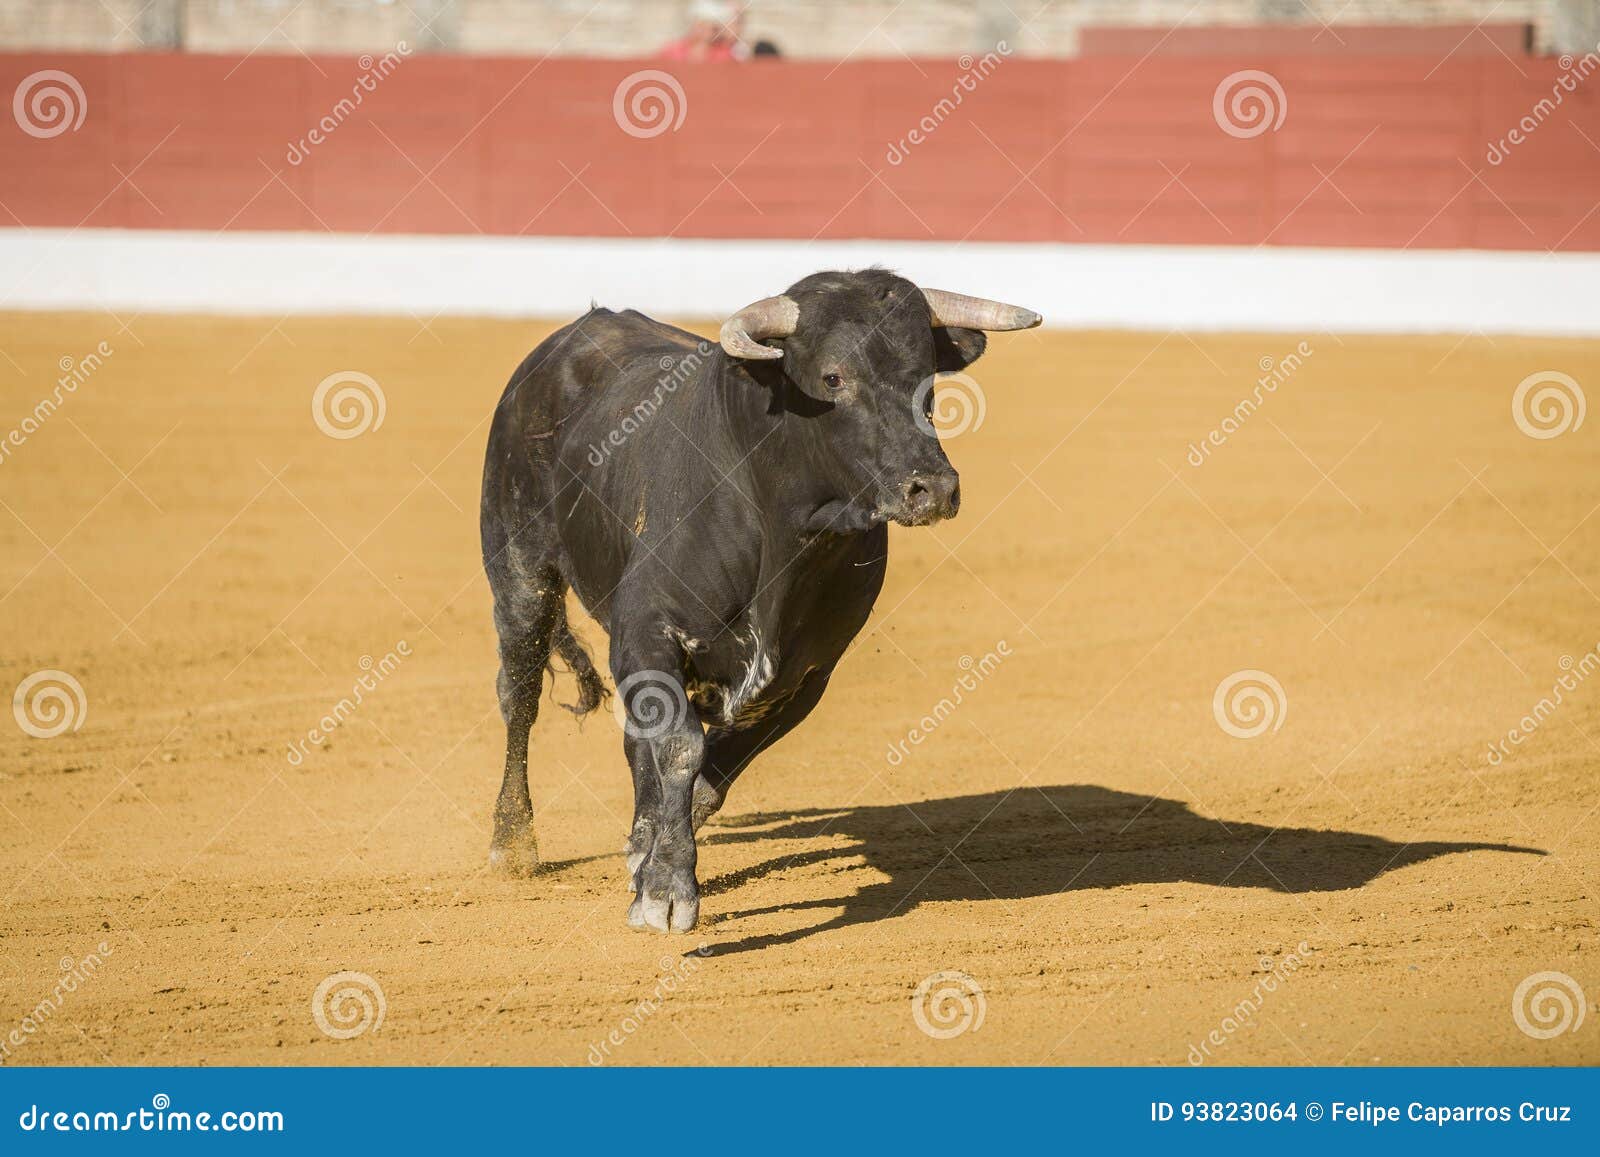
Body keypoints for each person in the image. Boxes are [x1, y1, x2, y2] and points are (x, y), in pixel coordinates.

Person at [659, 0, 748, 61]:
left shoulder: (725, 54)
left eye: (712, 24)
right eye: (703, 23)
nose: (708, 28)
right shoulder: (671, 51)